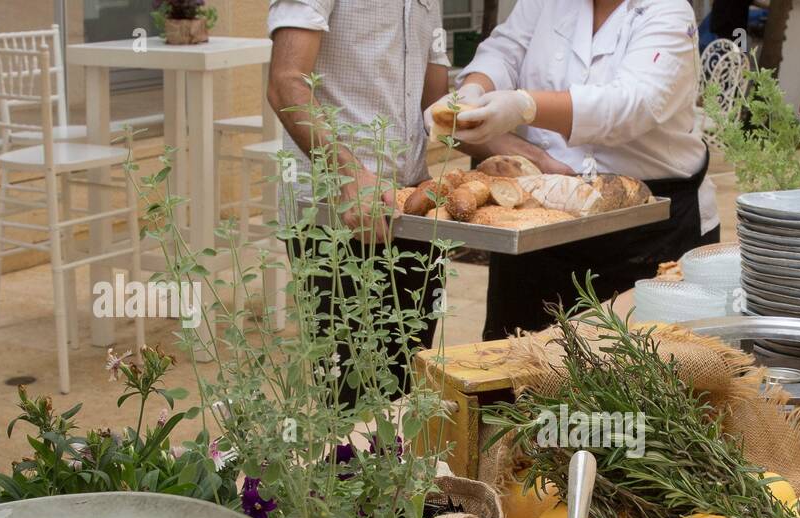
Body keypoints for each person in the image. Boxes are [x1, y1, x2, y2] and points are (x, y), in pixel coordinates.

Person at [424, 0, 720, 340]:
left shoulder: (667, 10)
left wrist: (525, 106)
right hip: (541, 219)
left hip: (648, 228)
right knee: (516, 370)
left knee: (633, 371)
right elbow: (504, 51)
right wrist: (475, 90)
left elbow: (634, 103)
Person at [266, 0, 449, 399]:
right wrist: (349, 172)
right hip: (335, 213)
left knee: (407, 388)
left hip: (412, 207)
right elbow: (285, 81)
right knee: (351, 399)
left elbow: (434, 93)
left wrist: (478, 106)